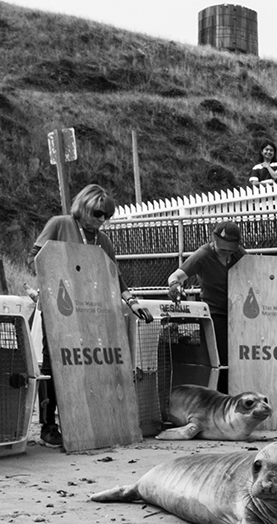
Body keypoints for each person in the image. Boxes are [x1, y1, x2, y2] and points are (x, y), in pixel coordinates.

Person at [30, 183, 152, 448]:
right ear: (84, 206)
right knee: (53, 364)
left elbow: (114, 274)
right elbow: (36, 257)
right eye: (98, 213)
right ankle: (48, 426)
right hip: (59, 310)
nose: (102, 220)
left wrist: (131, 301)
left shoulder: (102, 240)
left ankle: (86, 420)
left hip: (90, 311)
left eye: (106, 216)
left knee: (89, 363)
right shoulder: (60, 224)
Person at [167, 222, 244, 392]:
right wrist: (174, 286)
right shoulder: (203, 255)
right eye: (223, 250)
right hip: (215, 312)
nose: (227, 255)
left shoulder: (239, 254)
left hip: (238, 313)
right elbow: (176, 275)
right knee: (222, 357)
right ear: (213, 240)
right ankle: (221, 396)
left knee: (240, 357)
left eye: (230, 251)